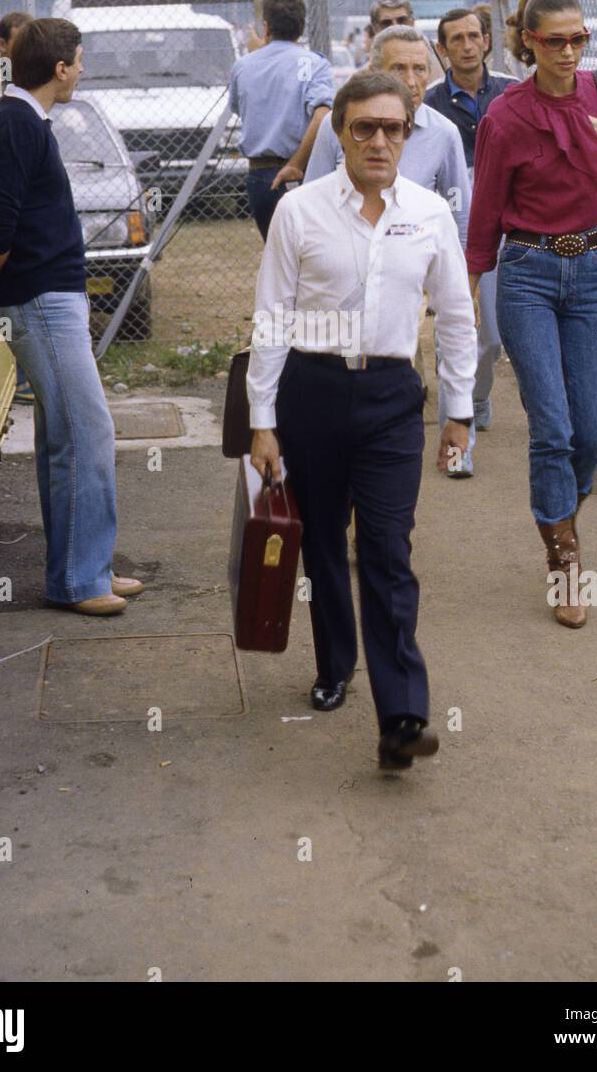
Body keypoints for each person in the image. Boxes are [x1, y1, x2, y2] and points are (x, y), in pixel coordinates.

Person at [248, 70, 477, 770]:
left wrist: (459, 410)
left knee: (385, 548)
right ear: (340, 134)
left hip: (390, 400)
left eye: (393, 129)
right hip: (311, 393)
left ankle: (402, 712)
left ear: (410, 134)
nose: (379, 140)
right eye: (364, 128)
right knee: (320, 545)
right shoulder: (301, 211)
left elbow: (457, 315)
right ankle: (334, 663)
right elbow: (273, 318)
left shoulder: (429, 213)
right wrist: (263, 420)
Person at [466, 0, 597, 629]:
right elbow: (486, 211)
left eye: (580, 38)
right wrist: (468, 295)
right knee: (552, 426)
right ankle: (564, 559)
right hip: (528, 276)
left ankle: (559, 516)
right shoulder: (505, 116)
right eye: (556, 41)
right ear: (528, 42)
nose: (571, 51)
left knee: (594, 432)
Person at [0, 18, 144, 617]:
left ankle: (84, 564)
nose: (81, 70)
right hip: (40, 300)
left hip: (51, 296)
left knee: (61, 436)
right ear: (61, 68)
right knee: (86, 432)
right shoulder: (17, 123)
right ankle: (77, 579)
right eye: (79, 60)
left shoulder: (24, 120)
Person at [304, 26, 475, 474]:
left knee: (402, 381)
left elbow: (458, 216)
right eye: (398, 68)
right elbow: (310, 202)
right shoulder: (337, 131)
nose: (412, 79)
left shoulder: (443, 135)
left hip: (405, 283)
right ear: (373, 71)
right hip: (340, 283)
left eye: (420, 68)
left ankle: (442, 458)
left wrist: (455, 282)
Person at [426, 7, 516, 458]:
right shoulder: (429, 103)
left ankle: (476, 395)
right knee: (459, 327)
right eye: (455, 39)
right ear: (441, 49)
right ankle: (456, 432)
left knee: (494, 337)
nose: (466, 45)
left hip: (505, 224)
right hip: (452, 227)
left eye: (473, 36)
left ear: (486, 41)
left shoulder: (512, 93)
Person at [228, 0, 334, 239]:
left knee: (277, 255)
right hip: (304, 170)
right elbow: (322, 114)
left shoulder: (243, 65)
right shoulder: (313, 64)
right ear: (301, 26)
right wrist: (297, 163)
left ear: (265, 27)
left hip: (260, 173)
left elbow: (237, 107)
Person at [0, 11, 35, 404]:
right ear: (2, 46)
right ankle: (21, 377)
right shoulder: (7, 105)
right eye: (19, 42)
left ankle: (24, 375)